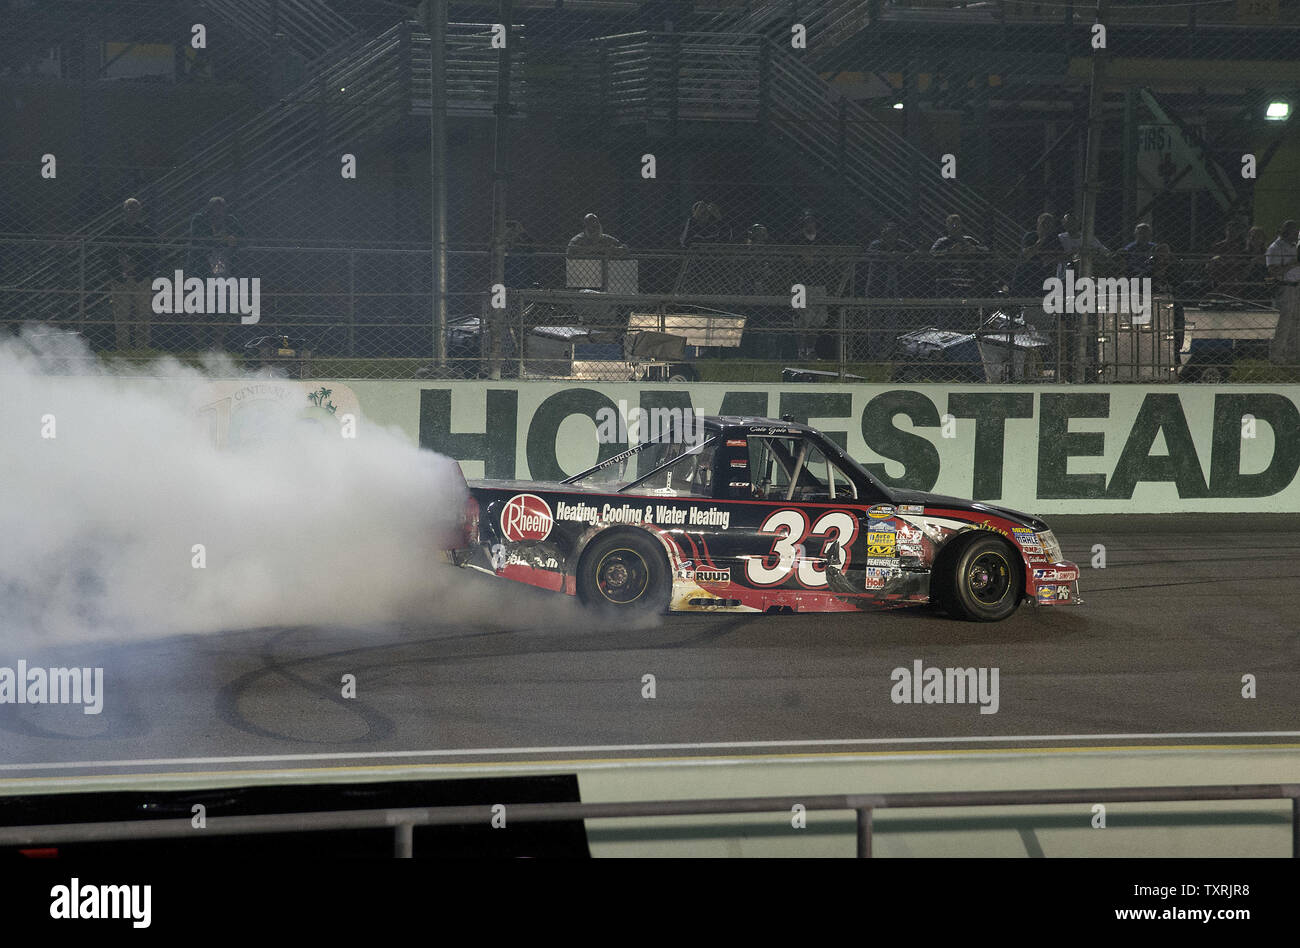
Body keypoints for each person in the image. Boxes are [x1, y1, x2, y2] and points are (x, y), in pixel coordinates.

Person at [187, 196, 246, 351]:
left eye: (220, 209)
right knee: (200, 308)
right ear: (209, 209)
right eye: (214, 209)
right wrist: (222, 239)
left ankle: (218, 343)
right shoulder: (199, 220)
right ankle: (202, 346)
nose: (217, 213)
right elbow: (198, 240)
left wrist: (234, 239)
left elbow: (244, 238)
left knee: (223, 309)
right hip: (202, 269)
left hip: (225, 271)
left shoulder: (230, 220)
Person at [103, 197, 157, 350]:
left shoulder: (146, 232)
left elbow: (154, 255)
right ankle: (123, 347)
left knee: (143, 315)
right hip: (120, 278)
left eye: (136, 209)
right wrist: (116, 270)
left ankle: (142, 346)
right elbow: (106, 254)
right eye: (130, 209)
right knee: (121, 315)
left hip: (141, 278)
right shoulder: (115, 231)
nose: (133, 212)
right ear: (124, 211)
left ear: (140, 212)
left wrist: (142, 269)